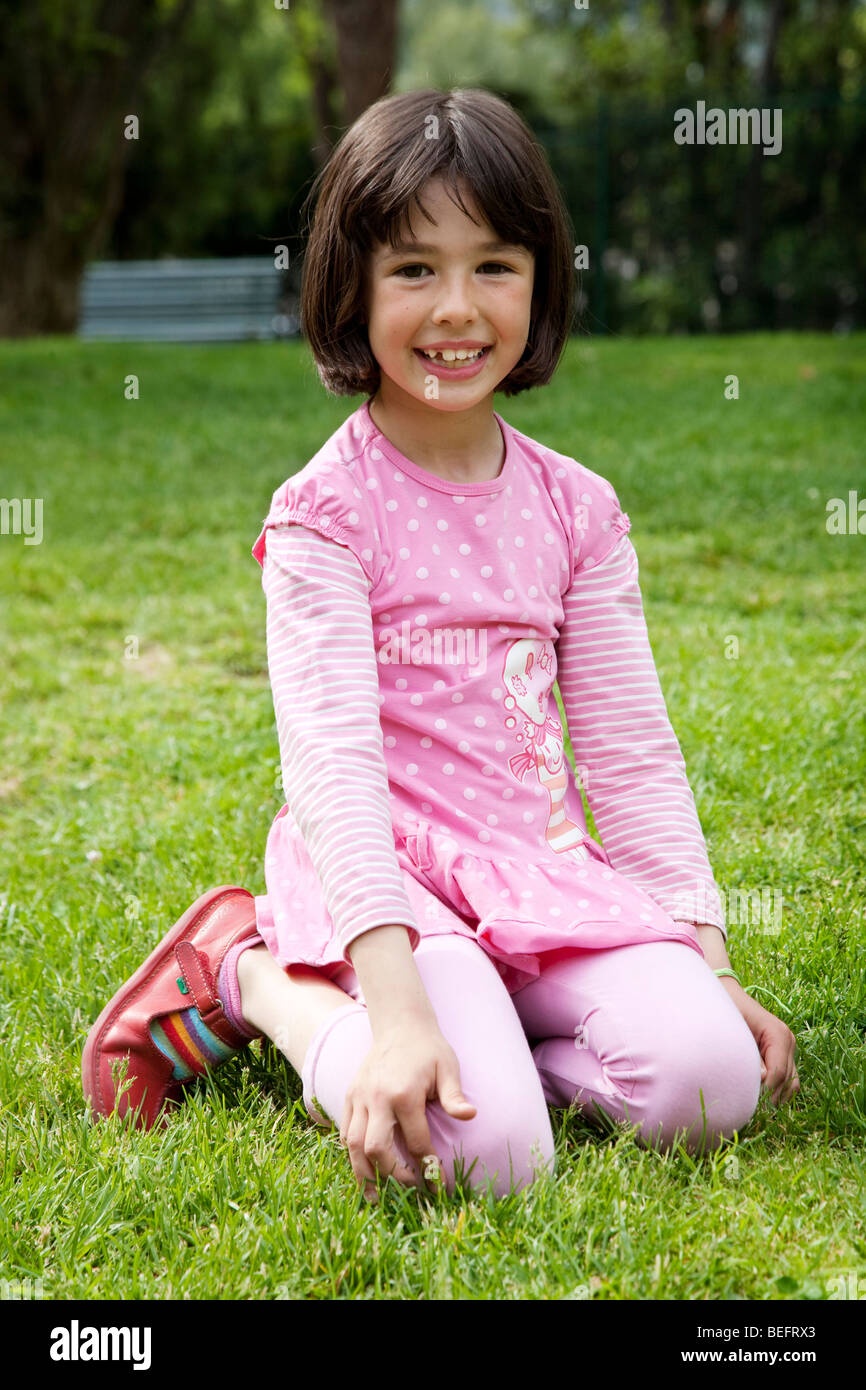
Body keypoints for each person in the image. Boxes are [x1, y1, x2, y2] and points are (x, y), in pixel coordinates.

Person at [82, 87, 799, 1205]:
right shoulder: (324, 515)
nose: (456, 309)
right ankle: (252, 974)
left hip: (540, 873)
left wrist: (707, 973)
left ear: (541, 280)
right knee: (483, 1158)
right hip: (396, 886)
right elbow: (333, 770)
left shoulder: (579, 510)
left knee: (710, 1085)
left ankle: (499, 1038)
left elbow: (630, 755)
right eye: (413, 270)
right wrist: (401, 1012)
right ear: (349, 286)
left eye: (494, 266)